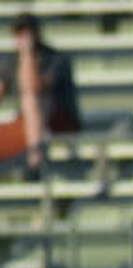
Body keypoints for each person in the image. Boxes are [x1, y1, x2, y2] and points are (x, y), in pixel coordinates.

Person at [0, 12, 81, 179]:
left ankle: (35, 162)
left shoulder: (55, 59)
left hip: (60, 122)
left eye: (28, 33)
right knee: (27, 110)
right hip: (28, 126)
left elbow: (34, 86)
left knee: (31, 101)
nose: (24, 38)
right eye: (20, 33)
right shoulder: (11, 61)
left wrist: (27, 55)